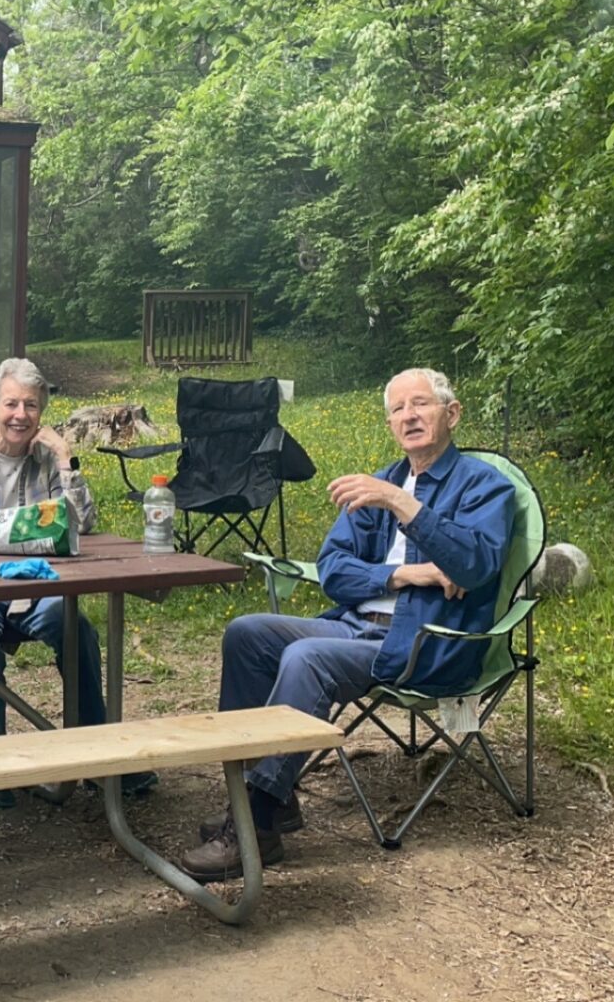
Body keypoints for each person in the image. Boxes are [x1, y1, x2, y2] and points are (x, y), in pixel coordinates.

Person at [178, 368, 515, 881]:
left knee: (306, 657)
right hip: (358, 627)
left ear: (452, 413)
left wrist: (404, 504)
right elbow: (334, 570)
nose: (409, 416)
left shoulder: (484, 488)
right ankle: (272, 796)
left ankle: (256, 825)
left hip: (427, 643)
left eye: (420, 404)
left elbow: (474, 565)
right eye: (399, 409)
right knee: (248, 632)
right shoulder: (380, 485)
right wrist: (406, 573)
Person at [0, 357, 153, 809]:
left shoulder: (48, 460)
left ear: (42, 413)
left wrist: (67, 459)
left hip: (32, 589)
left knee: (74, 626)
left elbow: (83, 527)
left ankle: (97, 758)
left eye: (30, 405)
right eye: (11, 404)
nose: (20, 415)